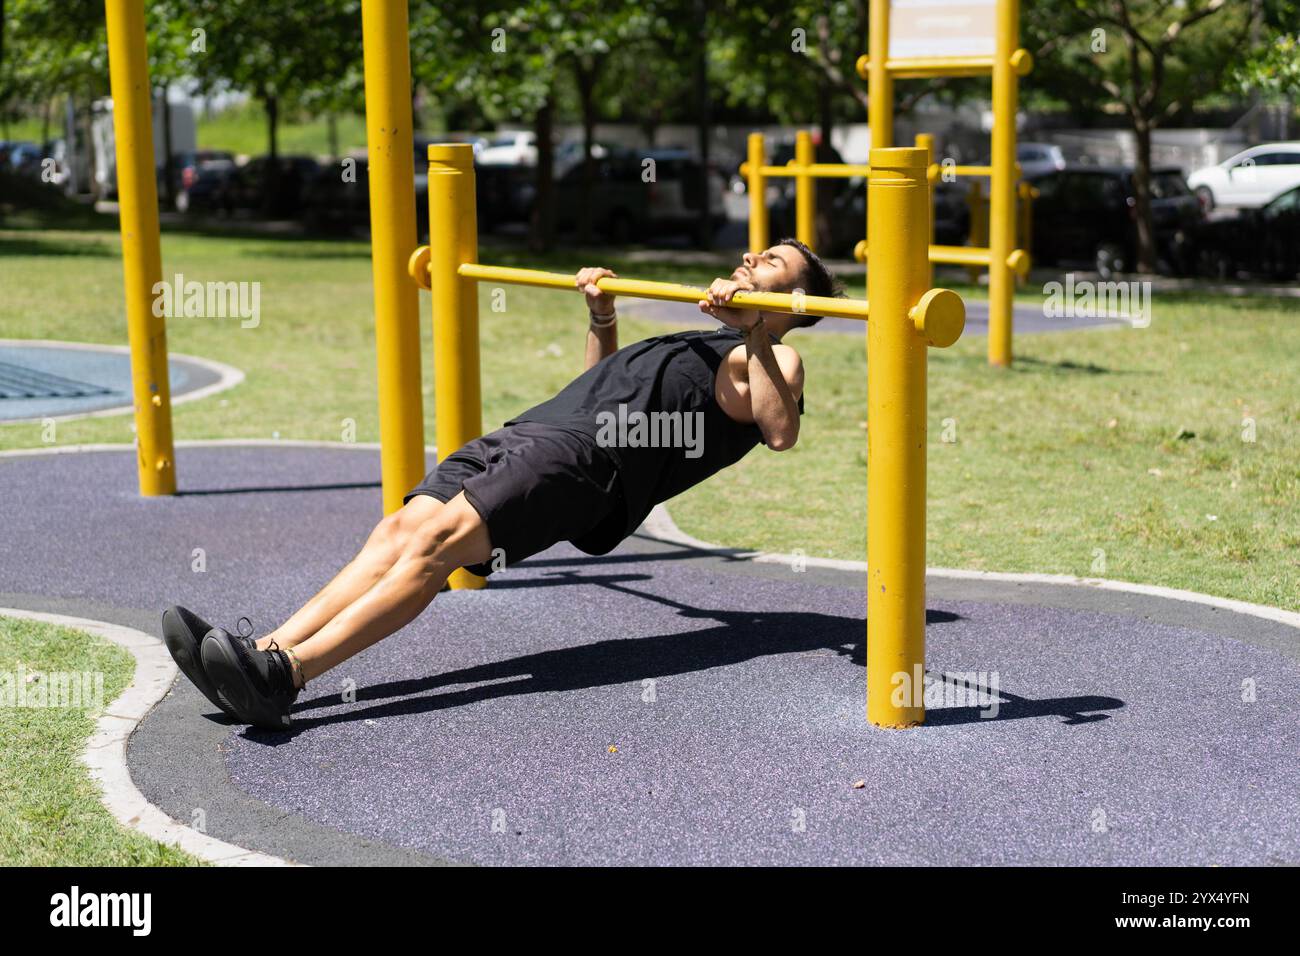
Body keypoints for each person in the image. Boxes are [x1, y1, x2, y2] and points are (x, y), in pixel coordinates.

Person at [162, 239, 842, 729]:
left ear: (793, 300)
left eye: (771, 262)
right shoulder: (703, 338)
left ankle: (290, 676)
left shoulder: (774, 356)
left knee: (438, 550)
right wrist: (602, 319)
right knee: (401, 530)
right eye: (755, 253)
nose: (752, 258)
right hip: (541, 429)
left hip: (585, 464)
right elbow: (594, 382)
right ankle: (267, 652)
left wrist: (754, 331)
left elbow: (779, 431)